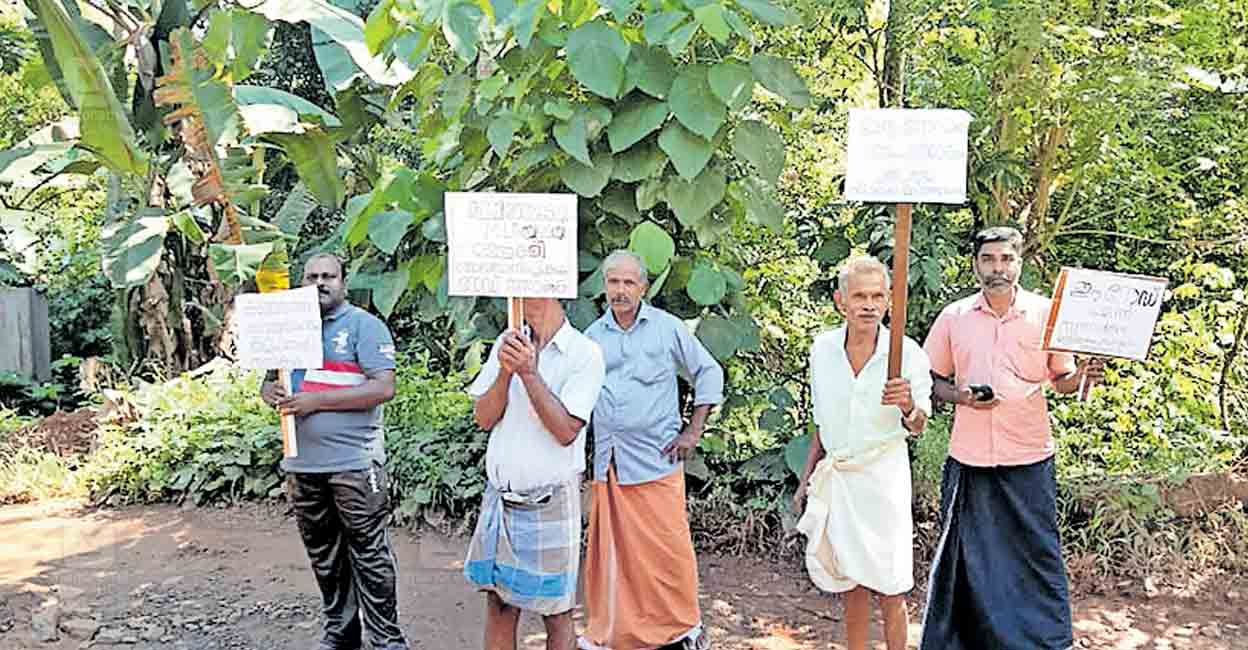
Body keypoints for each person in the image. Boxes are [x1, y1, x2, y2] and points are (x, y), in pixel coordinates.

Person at [918, 226, 1105, 650]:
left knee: (1035, 556)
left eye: (1006, 259)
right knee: (964, 559)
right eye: (989, 259)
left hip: (1029, 454)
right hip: (969, 458)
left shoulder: (1046, 313)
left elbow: (1062, 379)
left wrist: (1084, 377)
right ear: (975, 264)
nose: (997, 268)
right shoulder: (955, 317)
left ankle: (1044, 642)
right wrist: (960, 396)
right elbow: (929, 379)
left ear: (1020, 263)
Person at [260, 253, 408, 650]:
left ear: (343, 282)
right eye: (312, 276)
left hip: (355, 465)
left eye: (329, 276)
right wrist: (268, 392)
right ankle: (341, 637)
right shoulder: (286, 329)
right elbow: (270, 383)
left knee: (369, 555)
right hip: (303, 465)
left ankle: (387, 641)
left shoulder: (364, 326)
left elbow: (383, 389)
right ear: (302, 280)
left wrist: (317, 402)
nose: (320, 282)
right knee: (324, 557)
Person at [579, 251, 724, 650]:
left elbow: (709, 370)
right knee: (613, 555)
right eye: (613, 282)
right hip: (609, 463)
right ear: (604, 287)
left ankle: (682, 630)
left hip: (658, 462)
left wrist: (693, 431)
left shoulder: (666, 328)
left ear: (643, 287)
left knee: (669, 552)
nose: (620, 290)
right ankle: (619, 631)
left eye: (629, 283)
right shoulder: (592, 337)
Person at [793, 255, 932, 650]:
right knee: (849, 583)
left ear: (889, 301)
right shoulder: (822, 350)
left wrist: (907, 406)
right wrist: (805, 481)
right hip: (839, 478)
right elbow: (821, 425)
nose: (868, 305)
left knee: (890, 584)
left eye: (877, 296)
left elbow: (920, 424)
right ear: (841, 301)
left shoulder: (906, 352)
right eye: (859, 296)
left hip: (883, 478)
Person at [463, 296, 605, 650]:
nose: (518, 293)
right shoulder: (506, 342)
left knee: (556, 611)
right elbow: (483, 418)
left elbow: (566, 430)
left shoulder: (584, 353)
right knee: (498, 603)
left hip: (550, 499)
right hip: (501, 496)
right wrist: (506, 371)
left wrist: (528, 371)